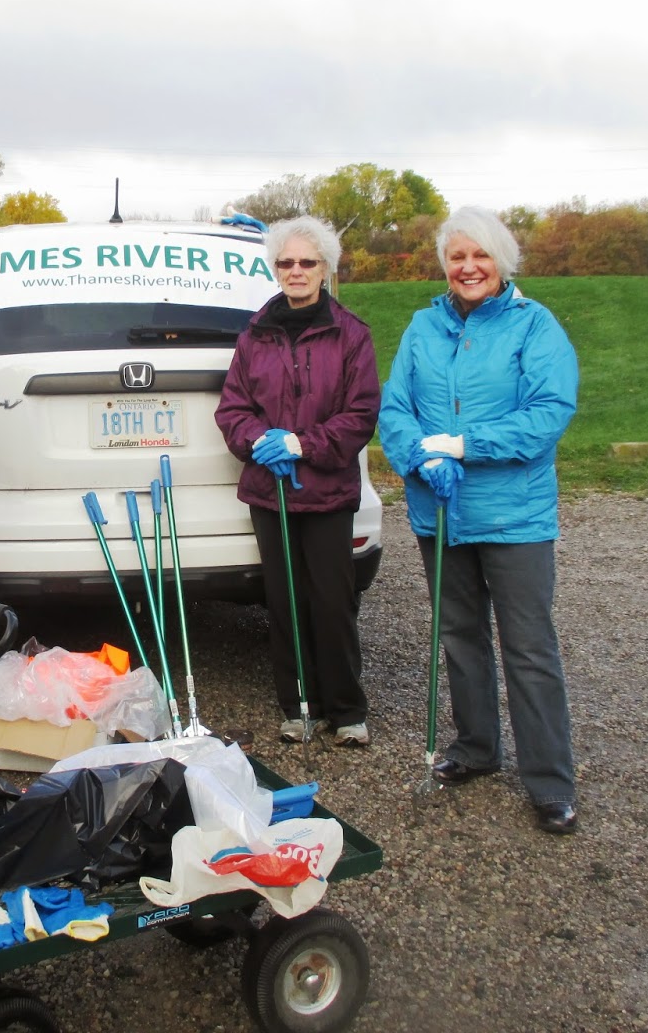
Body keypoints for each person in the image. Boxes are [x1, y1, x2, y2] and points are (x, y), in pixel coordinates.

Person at [377, 206, 581, 835]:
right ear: (445, 264)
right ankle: (475, 749)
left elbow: (548, 412)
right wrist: (418, 455)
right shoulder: (422, 326)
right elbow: (395, 408)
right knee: (460, 636)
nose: (469, 268)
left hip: (514, 517)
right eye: (457, 257)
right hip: (440, 512)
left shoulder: (534, 326)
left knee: (528, 647)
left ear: (502, 263)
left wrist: (461, 446)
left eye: (481, 256)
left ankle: (549, 781)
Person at [214, 215, 380, 747]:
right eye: (286, 263)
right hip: (271, 491)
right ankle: (298, 703)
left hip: (327, 492)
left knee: (332, 600)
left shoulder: (351, 334)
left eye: (306, 262)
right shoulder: (255, 335)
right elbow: (233, 407)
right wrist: (258, 438)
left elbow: (360, 413)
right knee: (284, 600)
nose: (296, 271)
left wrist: (302, 444)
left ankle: (347, 708)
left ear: (325, 268)